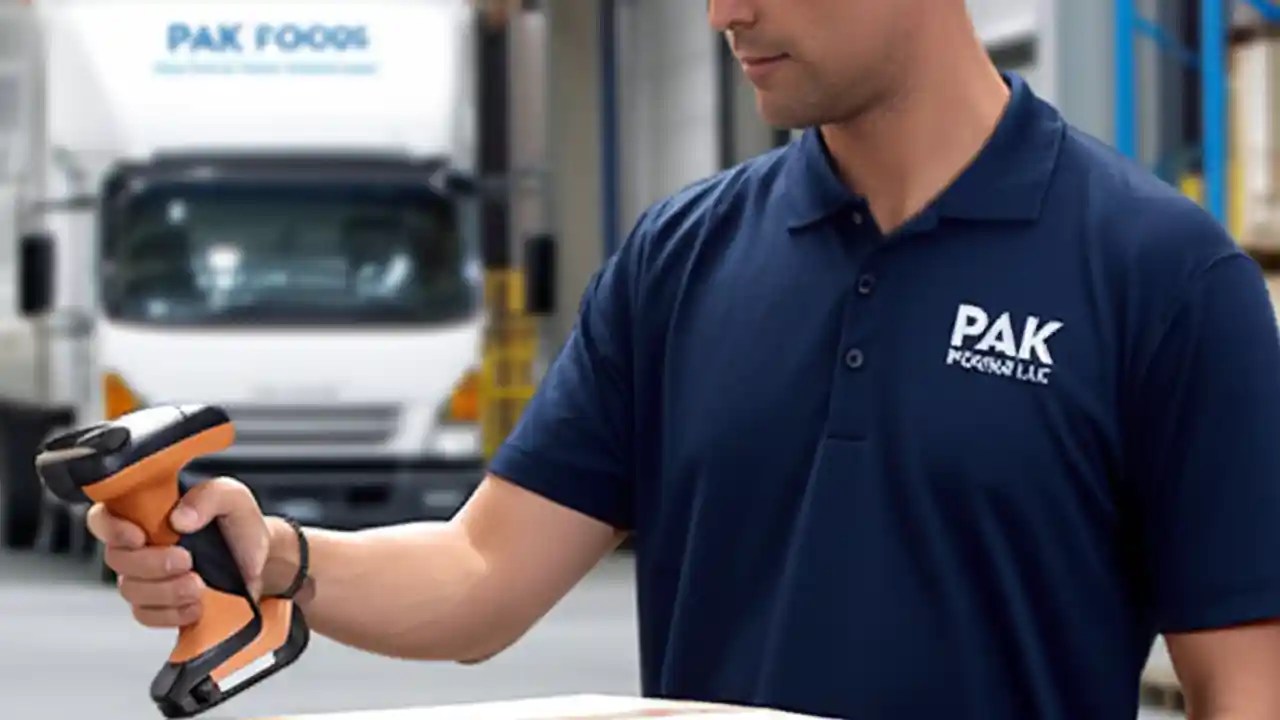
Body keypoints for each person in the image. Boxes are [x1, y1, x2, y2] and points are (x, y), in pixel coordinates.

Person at [89, 1, 1280, 718]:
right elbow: (480, 575)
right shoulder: (681, 258)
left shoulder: (1159, 277)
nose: (722, 13)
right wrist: (275, 554)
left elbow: (1244, 688)